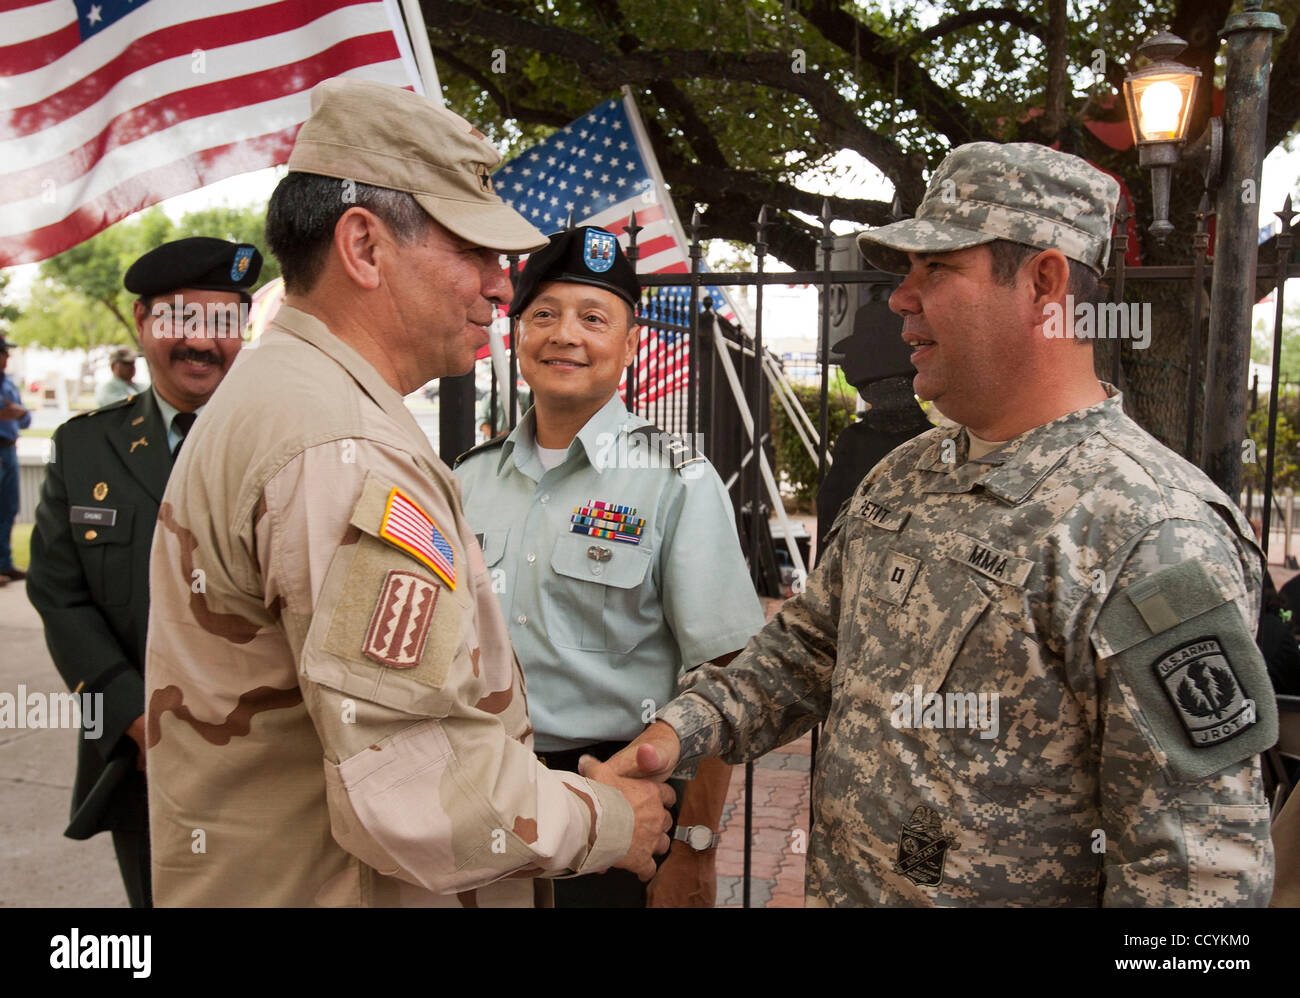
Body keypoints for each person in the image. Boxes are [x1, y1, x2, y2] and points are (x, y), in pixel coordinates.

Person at [600, 141, 1280, 907]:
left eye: (938, 270)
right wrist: (673, 736)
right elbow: (804, 652)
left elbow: (1197, 879)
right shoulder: (909, 470)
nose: (900, 298)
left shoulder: (1151, 531)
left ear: (1045, 283)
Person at [144, 78, 670, 908]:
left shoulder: (296, 398)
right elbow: (414, 786)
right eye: (474, 250)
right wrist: (609, 820)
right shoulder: (337, 447)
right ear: (364, 246)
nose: (503, 287)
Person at [455, 226, 765, 906]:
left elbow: (724, 681)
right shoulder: (466, 482)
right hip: (484, 799)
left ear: (629, 345)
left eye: (594, 318)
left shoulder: (675, 482)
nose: (566, 335)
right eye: (545, 314)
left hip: (621, 803)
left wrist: (696, 850)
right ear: (518, 333)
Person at [25, 237, 260, 907]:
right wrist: (137, 721)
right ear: (141, 321)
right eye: (181, 318)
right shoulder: (82, 448)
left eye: (222, 322)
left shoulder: (281, 438)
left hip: (271, 762)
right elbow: (60, 598)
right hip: (144, 764)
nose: (202, 343)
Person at [0, 335, 31, 586]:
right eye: (3, 353)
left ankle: (5, 564)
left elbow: (24, 418)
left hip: (9, 449)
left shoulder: (8, 384)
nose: (6, 358)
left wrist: (16, 413)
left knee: (8, 508)